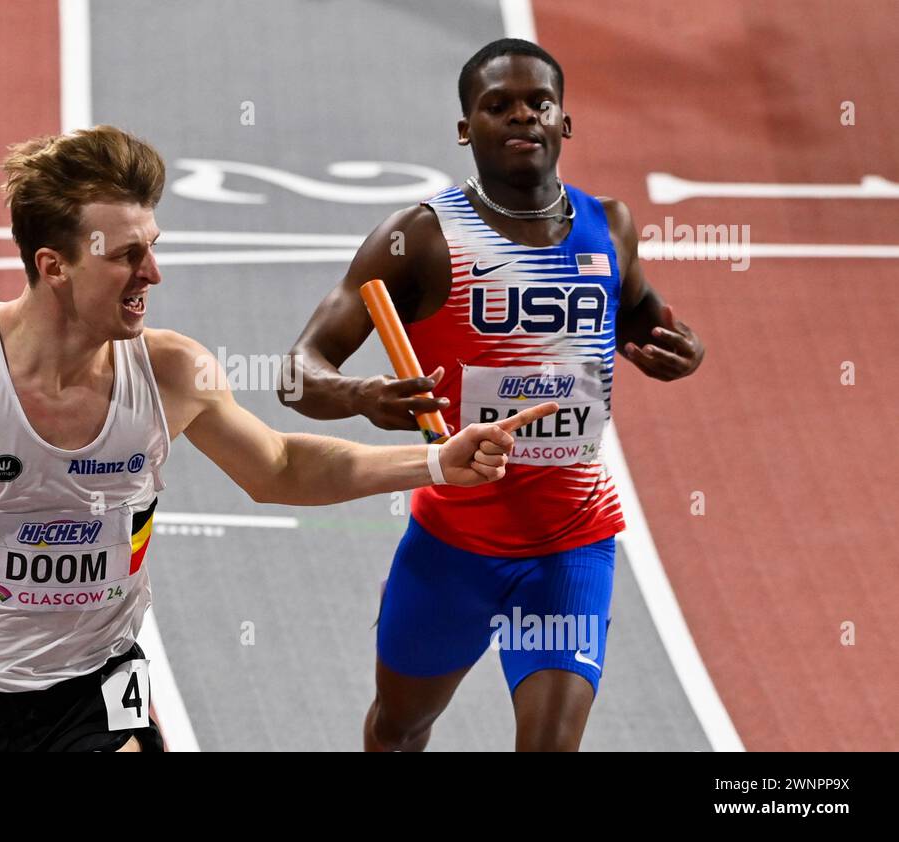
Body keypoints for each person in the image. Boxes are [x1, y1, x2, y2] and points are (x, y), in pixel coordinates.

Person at [0, 125, 556, 752]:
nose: (153, 273)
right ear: (53, 266)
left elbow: (279, 467)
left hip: (96, 692)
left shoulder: (169, 373)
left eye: (152, 247)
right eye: (127, 255)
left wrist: (436, 461)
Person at [281, 38, 705, 751]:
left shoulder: (612, 226)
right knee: (397, 730)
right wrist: (359, 394)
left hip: (571, 545)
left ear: (564, 121)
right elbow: (298, 370)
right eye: (497, 105)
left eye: (538, 103)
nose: (521, 117)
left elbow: (647, 322)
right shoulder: (420, 237)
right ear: (464, 127)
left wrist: (683, 352)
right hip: (453, 547)